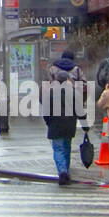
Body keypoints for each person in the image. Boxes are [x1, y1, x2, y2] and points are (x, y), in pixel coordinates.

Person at [44, 49, 85, 185]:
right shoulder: (73, 92)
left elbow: (46, 111)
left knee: (58, 148)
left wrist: (49, 122)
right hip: (69, 124)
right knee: (66, 146)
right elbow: (79, 110)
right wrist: (85, 126)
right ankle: (66, 170)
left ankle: (62, 171)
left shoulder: (51, 93)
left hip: (55, 124)